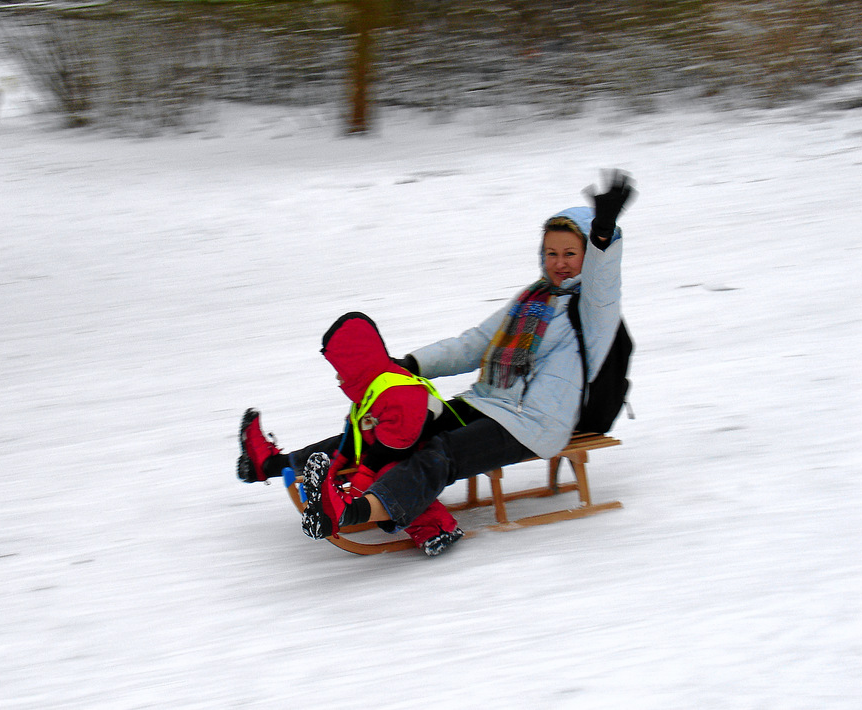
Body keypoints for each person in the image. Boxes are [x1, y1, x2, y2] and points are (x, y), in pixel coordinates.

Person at [240, 170, 635, 551]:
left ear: (588, 255)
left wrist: (602, 232)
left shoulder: (593, 310)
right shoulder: (532, 299)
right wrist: (412, 363)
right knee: (394, 425)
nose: (559, 262)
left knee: (439, 453)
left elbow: (605, 280)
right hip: (486, 402)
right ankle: (273, 464)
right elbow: (475, 344)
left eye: (570, 253)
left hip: (533, 422)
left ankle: (351, 510)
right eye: (551, 252)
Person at [239, 312, 466, 556]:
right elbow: (352, 438)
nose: (337, 376)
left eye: (341, 369)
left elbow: (389, 451)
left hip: (431, 450)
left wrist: (358, 488)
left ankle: (437, 528)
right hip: (392, 444)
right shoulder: (371, 389)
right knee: (337, 447)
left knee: (391, 472)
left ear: (357, 365)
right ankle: (268, 464)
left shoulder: (400, 393)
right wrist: (333, 469)